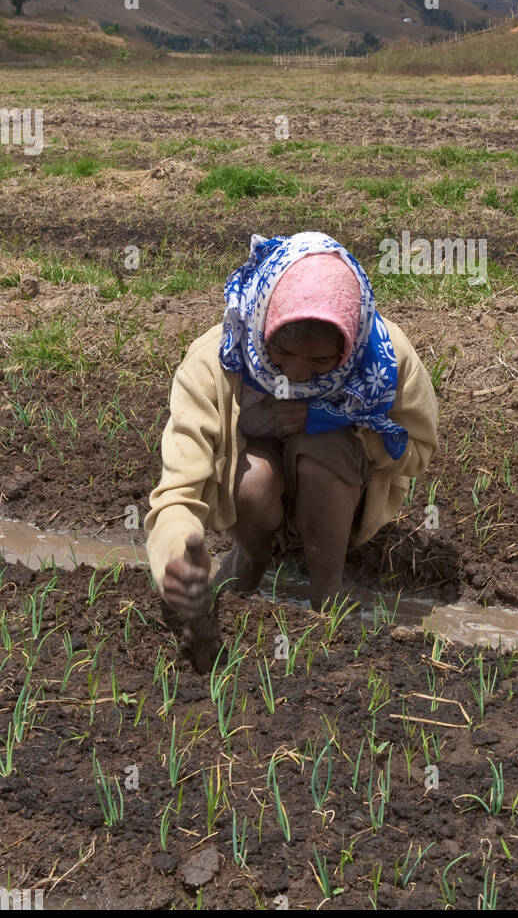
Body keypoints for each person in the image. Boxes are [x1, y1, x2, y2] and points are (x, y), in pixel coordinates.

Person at [145, 231, 438, 626]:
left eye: (320, 361)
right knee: (252, 480)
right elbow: (179, 488)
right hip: (260, 498)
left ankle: (328, 594)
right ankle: (250, 558)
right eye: (280, 353)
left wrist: (326, 419)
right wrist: (179, 559)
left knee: (323, 450)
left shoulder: (384, 358)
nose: (297, 374)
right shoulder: (216, 361)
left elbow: (417, 450)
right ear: (262, 323)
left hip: (340, 494)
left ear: (349, 344)